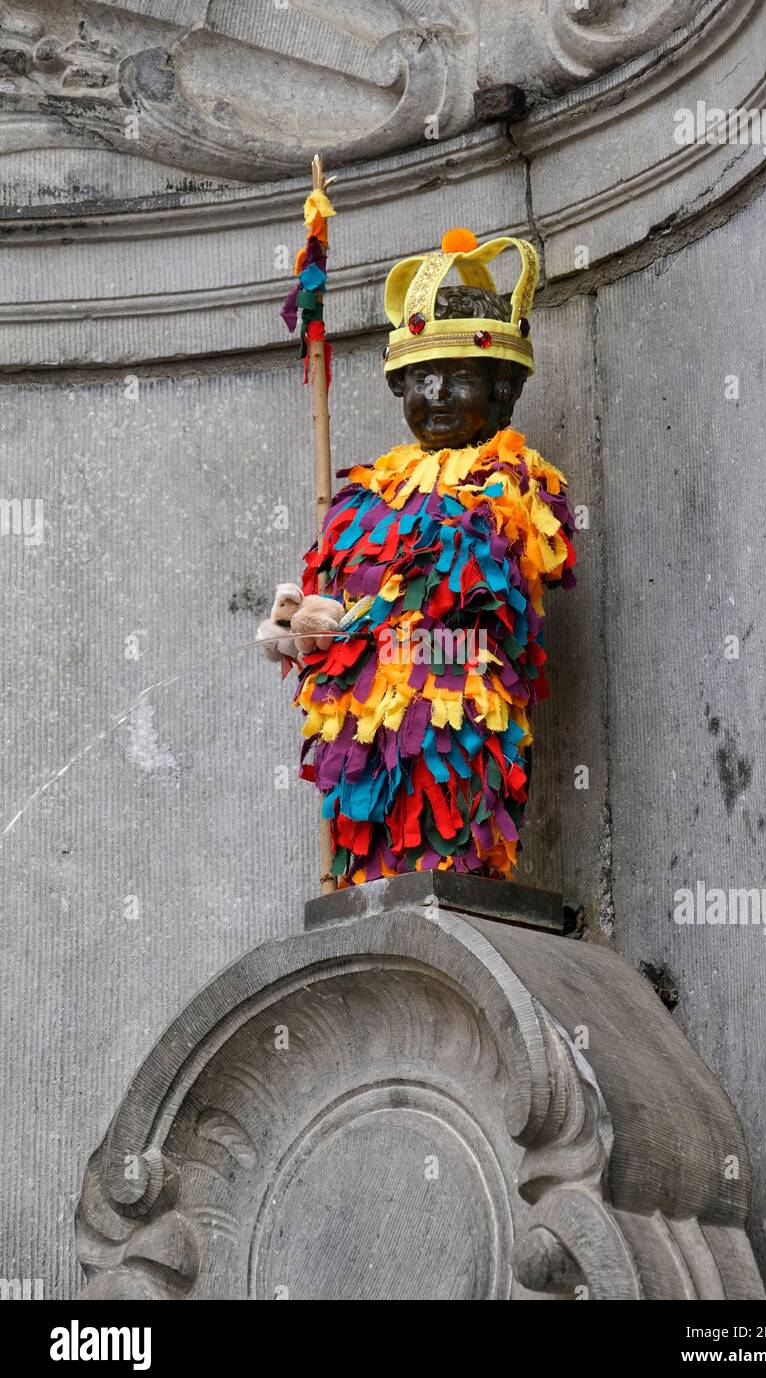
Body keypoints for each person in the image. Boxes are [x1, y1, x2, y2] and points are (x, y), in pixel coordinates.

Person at [258, 228, 577, 885]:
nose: (435, 395)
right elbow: (332, 602)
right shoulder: (360, 500)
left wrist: (351, 633)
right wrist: (298, 627)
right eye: (420, 378)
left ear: (503, 392)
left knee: (448, 850)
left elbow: (461, 614)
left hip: (455, 729)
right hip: (365, 748)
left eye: (458, 377)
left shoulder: (517, 482)